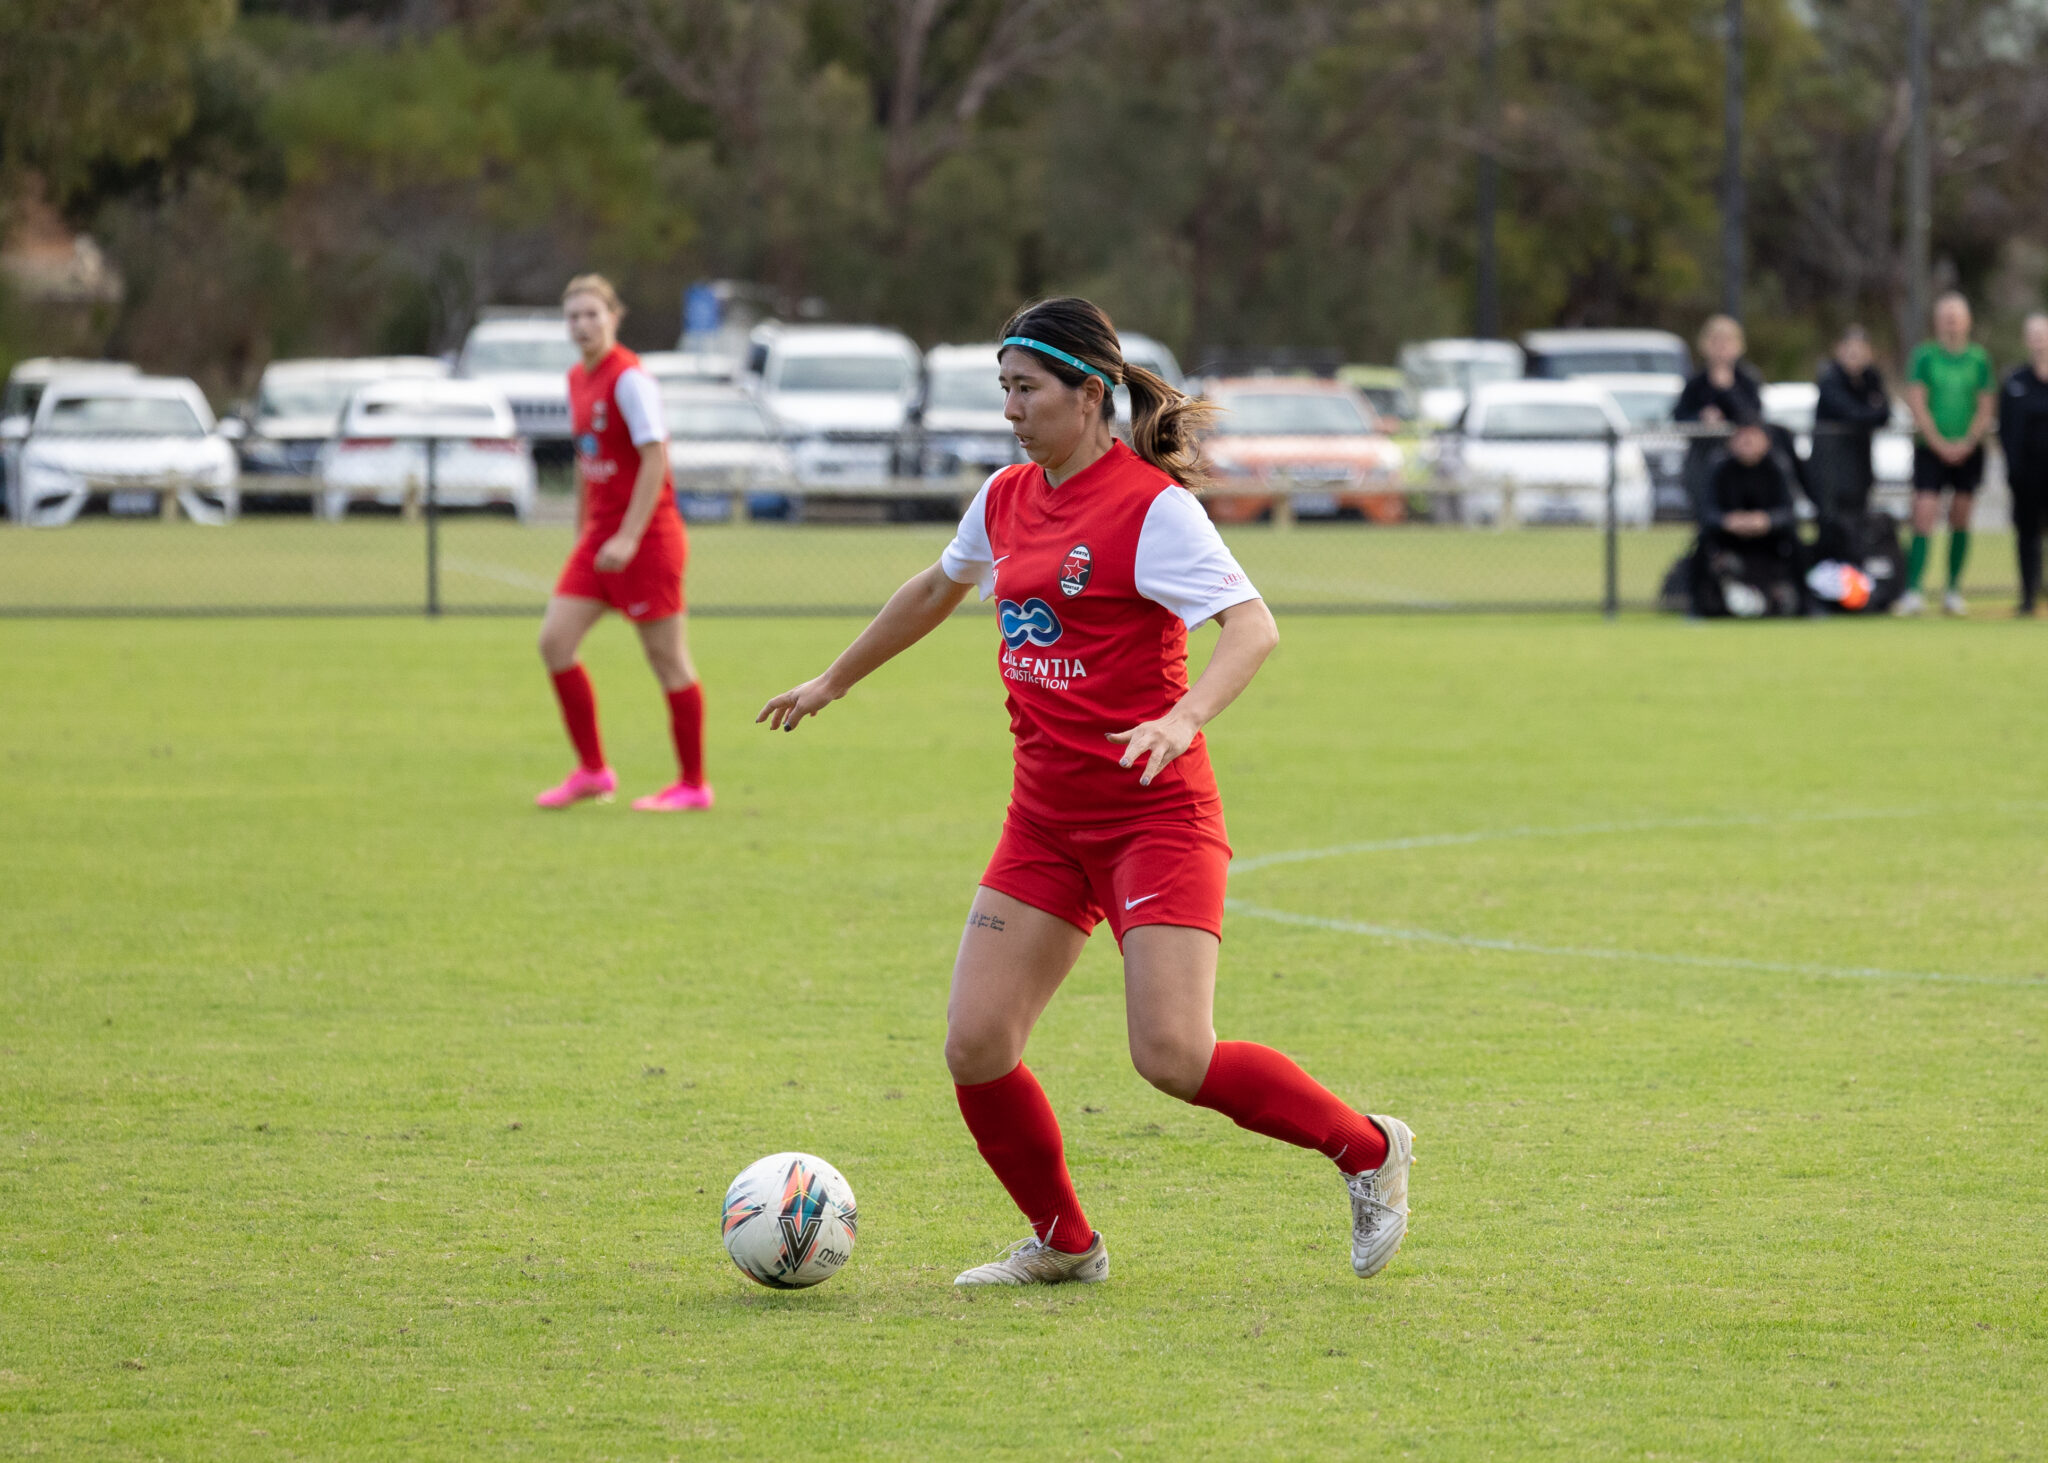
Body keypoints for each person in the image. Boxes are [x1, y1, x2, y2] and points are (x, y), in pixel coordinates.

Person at [757, 297, 1413, 1287]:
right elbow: (936, 587)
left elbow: (1250, 628)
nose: (1011, 410)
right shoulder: (1005, 496)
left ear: (1088, 394)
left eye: (1026, 390)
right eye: (1004, 391)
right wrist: (832, 679)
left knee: (1172, 1056)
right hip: (1044, 824)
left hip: (1154, 819)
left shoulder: (1152, 509)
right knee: (974, 1044)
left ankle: (1367, 1147)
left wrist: (1181, 716)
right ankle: (1064, 1242)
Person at [533, 274, 712, 811]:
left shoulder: (631, 380)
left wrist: (631, 537)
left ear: (615, 316)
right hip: (600, 541)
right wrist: (584, 532)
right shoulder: (575, 378)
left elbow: (655, 459)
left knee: (667, 661)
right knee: (554, 643)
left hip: (647, 540)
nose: (583, 325)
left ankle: (693, 784)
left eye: (593, 314)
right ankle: (592, 771)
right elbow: (592, 464)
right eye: (573, 317)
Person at [1898, 291, 1996, 616]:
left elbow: (1985, 405)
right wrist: (1938, 441)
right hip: (1931, 449)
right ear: (1937, 322)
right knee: (1924, 512)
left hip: (1968, 450)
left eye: (1957, 316)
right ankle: (1914, 590)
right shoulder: (1925, 356)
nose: (1951, 322)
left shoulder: (1978, 359)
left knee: (1961, 514)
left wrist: (1968, 440)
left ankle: (1953, 590)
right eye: (1946, 317)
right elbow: (1917, 400)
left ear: (1967, 321)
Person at [1693, 415, 1805, 618]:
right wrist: (1728, 521)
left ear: (1765, 442)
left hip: (1768, 537)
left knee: (1797, 543)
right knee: (1701, 543)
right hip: (1730, 535)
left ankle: (1807, 604)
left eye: (1752, 438)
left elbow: (1789, 512)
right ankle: (1696, 608)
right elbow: (1706, 511)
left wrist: (1767, 520)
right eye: (1742, 438)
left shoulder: (1776, 467)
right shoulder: (1720, 467)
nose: (1747, 444)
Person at [1674, 314, 1765, 517]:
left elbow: (1753, 418)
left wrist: (1727, 390)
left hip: (1740, 459)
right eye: (1716, 342)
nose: (1721, 348)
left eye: (1727, 342)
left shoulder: (1747, 379)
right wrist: (1701, 419)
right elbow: (1679, 417)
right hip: (1702, 460)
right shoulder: (1696, 381)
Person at [1809, 325, 1891, 524]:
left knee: (1859, 514)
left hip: (1859, 458)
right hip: (1831, 462)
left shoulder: (1871, 377)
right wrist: (1867, 412)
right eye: (1850, 348)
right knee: (1831, 516)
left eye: (1860, 349)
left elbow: (1885, 413)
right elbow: (1850, 412)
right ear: (1839, 350)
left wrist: (1865, 414)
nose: (1855, 354)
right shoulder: (1829, 377)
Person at [1996, 311, 2048, 617]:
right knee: (2027, 534)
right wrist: (2013, 467)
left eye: (2043, 334)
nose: (2039, 341)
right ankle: (2028, 596)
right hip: (2027, 474)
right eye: (2034, 335)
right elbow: (2005, 427)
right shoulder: (2015, 380)